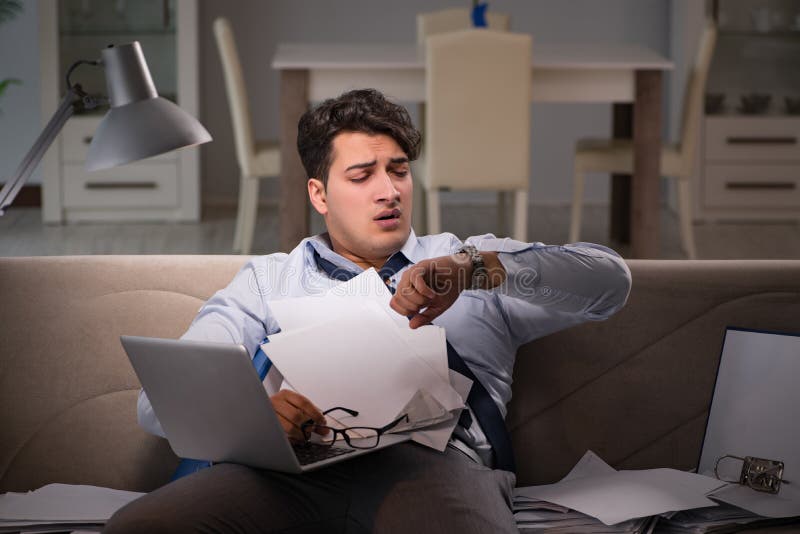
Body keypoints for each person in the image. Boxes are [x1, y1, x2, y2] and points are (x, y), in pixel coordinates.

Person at [105, 88, 631, 533]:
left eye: (398, 172)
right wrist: (252, 420)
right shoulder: (269, 281)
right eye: (362, 176)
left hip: (435, 469)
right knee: (136, 528)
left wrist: (473, 269)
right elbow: (159, 405)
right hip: (288, 475)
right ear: (320, 194)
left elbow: (610, 283)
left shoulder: (465, 259)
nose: (388, 191)